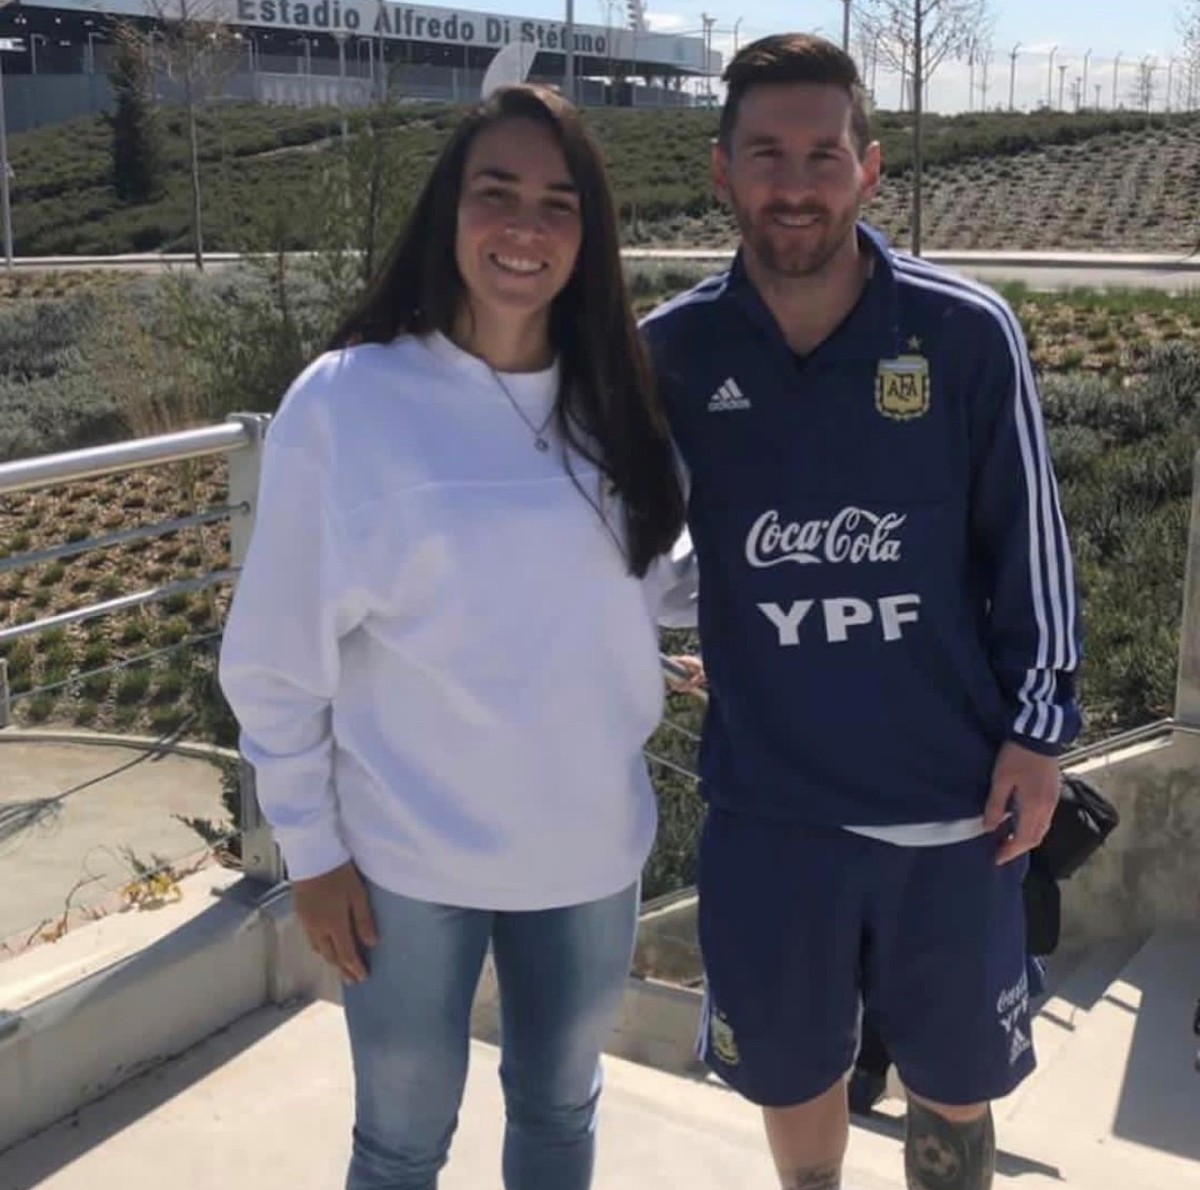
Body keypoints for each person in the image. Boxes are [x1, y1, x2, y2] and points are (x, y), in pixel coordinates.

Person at [218, 83, 689, 1190]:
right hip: (402, 862)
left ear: (590, 232)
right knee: (398, 1144)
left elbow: (650, 580)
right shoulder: (349, 402)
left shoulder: (619, 402)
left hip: (587, 852)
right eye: (497, 192)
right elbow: (276, 658)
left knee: (562, 1115)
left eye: (557, 202)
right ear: (450, 211)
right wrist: (314, 849)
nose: (525, 227)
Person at [641, 34, 1081, 1190]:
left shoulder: (964, 332)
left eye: (823, 154)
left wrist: (1039, 732)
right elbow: (607, 545)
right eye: (768, 154)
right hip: (768, 808)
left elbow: (1029, 545)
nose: (796, 183)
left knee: (954, 1074)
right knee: (792, 1075)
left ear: (869, 169)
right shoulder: (670, 353)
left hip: (949, 807)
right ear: (722, 171)